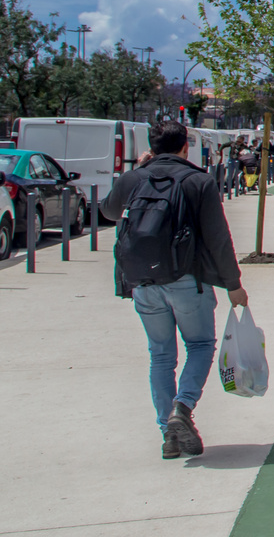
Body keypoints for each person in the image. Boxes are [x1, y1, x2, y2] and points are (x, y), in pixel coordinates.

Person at [102, 119, 249, 460]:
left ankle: (167, 433)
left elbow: (109, 211)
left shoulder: (134, 178)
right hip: (186, 280)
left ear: (152, 148)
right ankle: (181, 408)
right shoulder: (198, 181)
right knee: (200, 344)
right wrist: (233, 284)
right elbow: (218, 238)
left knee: (161, 354)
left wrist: (138, 171)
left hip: (142, 282)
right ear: (186, 146)